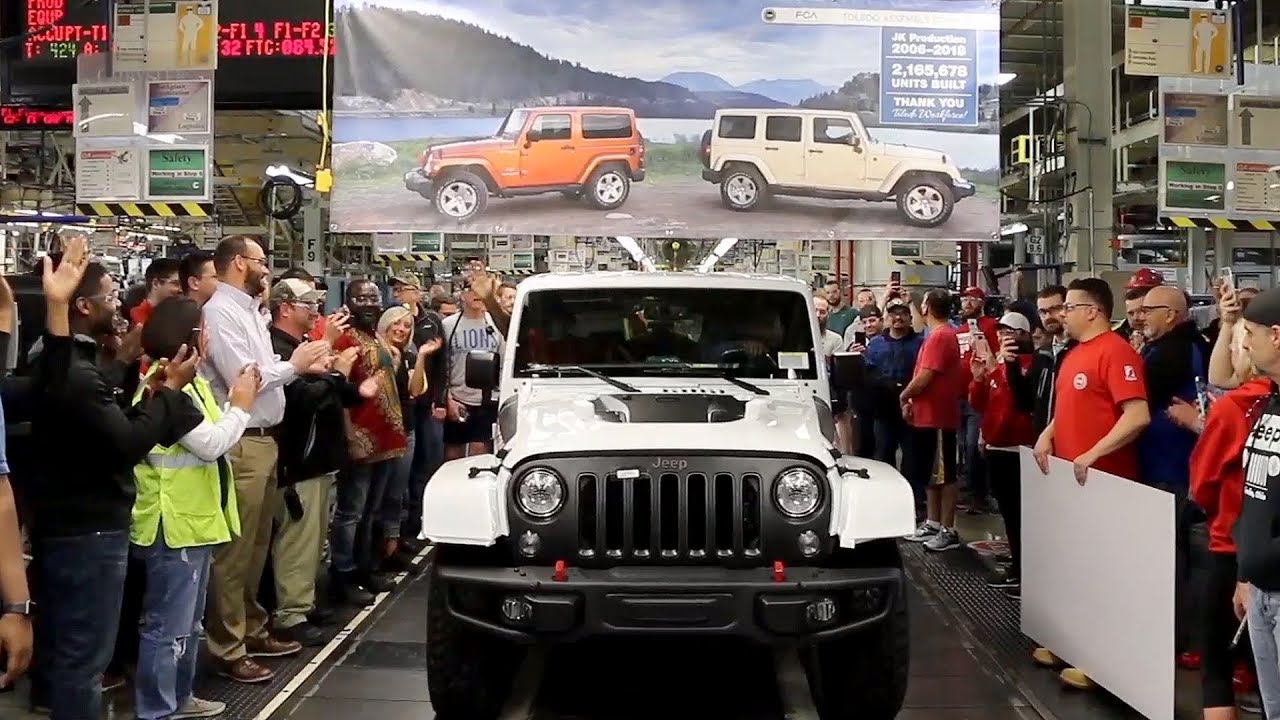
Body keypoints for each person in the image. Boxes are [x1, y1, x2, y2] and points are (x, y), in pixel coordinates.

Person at [30, 237, 197, 718]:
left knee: (71, 653)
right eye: (108, 295)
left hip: (71, 522)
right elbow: (124, 443)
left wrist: (127, 369)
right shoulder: (76, 374)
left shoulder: (78, 368)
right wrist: (169, 395)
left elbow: (110, 423)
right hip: (90, 529)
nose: (118, 303)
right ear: (83, 305)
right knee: (84, 660)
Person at [201, 236, 331, 684]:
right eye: (260, 261)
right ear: (239, 263)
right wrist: (294, 366)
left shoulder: (249, 311)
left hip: (266, 441)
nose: (266, 269)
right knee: (233, 553)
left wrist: (296, 366)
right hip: (242, 442)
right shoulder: (219, 312)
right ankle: (227, 645)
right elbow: (246, 377)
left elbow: (266, 366)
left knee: (257, 548)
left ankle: (253, 627)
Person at [131, 296, 260, 720]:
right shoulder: (166, 390)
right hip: (173, 524)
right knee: (167, 627)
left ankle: (179, 698)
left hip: (195, 521)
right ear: (191, 338)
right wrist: (241, 404)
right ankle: (157, 709)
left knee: (187, 626)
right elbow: (210, 444)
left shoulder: (189, 383)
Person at [1031, 277, 1151, 690]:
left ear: (1092, 310)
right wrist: (1049, 433)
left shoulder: (1116, 353)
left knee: (1105, 576)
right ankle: (1072, 645)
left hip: (1107, 483)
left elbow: (1136, 415)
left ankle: (1102, 662)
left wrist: (1095, 452)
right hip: (1072, 482)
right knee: (1076, 569)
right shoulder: (1074, 355)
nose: (1061, 315)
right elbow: (1070, 406)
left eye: (1068, 308)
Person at [268, 278, 371, 639]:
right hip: (301, 459)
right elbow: (299, 401)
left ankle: (305, 603)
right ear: (284, 308)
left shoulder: (303, 346)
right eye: (307, 304)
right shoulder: (280, 349)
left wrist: (346, 383)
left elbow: (328, 391)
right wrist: (334, 365)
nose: (315, 312)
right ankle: (291, 614)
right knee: (298, 540)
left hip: (321, 458)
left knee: (313, 540)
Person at [1189, 358, 1269, 720]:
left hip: (1232, 545)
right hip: (1259, 547)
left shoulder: (1235, 407)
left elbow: (1203, 482)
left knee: (1216, 662)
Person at [330, 279, 407, 602]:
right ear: (349, 301)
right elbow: (338, 391)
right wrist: (349, 436)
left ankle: (365, 568)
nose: (368, 304)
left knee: (371, 510)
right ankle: (343, 575)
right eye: (360, 298)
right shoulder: (345, 337)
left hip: (386, 436)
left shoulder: (374, 334)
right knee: (351, 513)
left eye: (373, 298)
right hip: (361, 436)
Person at [968, 312, 1036, 596]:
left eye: (1011, 332)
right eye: (1001, 332)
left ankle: (1025, 570)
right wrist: (978, 379)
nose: (1004, 337)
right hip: (998, 447)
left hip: (1018, 448)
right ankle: (1018, 562)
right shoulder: (997, 367)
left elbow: (1017, 406)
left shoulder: (1029, 366)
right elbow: (981, 404)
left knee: (1021, 514)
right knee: (1009, 513)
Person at [901, 289, 966, 551]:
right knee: (931, 471)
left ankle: (948, 529)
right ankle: (933, 522)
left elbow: (926, 376)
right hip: (927, 416)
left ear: (926, 307)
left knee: (945, 474)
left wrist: (904, 395)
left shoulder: (941, 336)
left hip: (939, 417)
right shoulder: (936, 336)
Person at [376, 305, 433, 573]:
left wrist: (420, 357)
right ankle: (375, 551)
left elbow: (415, 389)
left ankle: (392, 546)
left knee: (397, 493)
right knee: (380, 495)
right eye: (396, 324)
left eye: (406, 325)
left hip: (405, 431)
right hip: (381, 433)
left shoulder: (408, 354)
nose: (401, 329)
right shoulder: (376, 353)